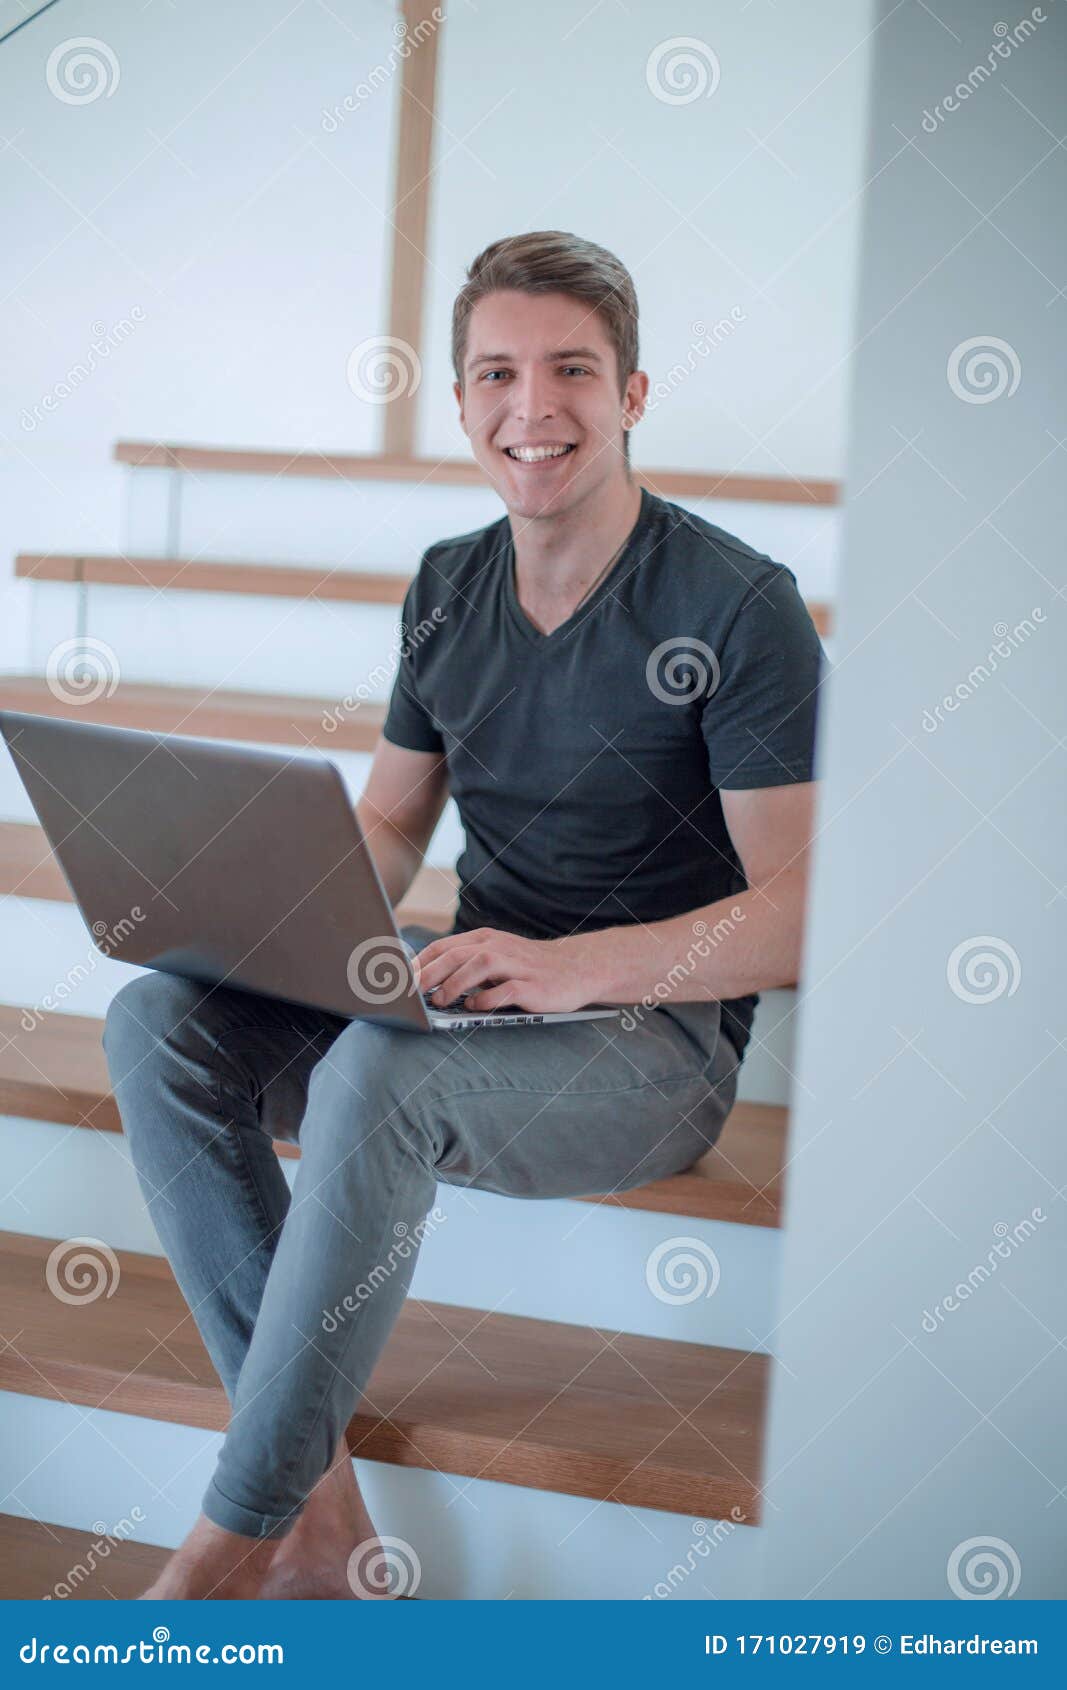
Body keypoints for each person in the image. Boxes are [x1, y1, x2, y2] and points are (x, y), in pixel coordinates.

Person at [103, 230, 824, 1599]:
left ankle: (232, 1537)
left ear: (634, 393)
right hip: (473, 1006)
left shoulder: (736, 605)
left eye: (571, 370)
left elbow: (799, 908)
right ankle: (326, 1518)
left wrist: (569, 968)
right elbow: (390, 826)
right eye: (496, 372)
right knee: (157, 1022)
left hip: (650, 1048)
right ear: (459, 401)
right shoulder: (447, 586)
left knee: (381, 1063)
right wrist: (268, 925)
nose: (531, 408)